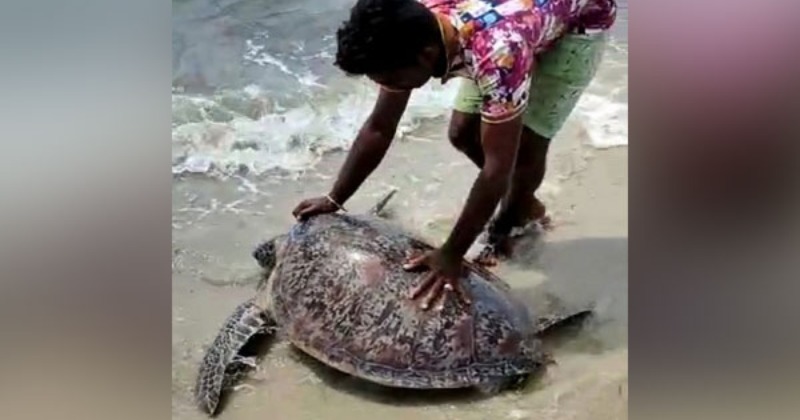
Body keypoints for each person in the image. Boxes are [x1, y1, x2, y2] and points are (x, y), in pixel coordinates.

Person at [292, 0, 617, 310]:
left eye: (391, 79)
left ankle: (512, 221)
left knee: (526, 145)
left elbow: (494, 170)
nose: (389, 86)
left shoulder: (497, 54)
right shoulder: (408, 29)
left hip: (578, 25)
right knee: (461, 132)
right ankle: (522, 204)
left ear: (426, 54)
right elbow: (380, 127)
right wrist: (335, 198)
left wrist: (451, 254)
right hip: (506, 25)